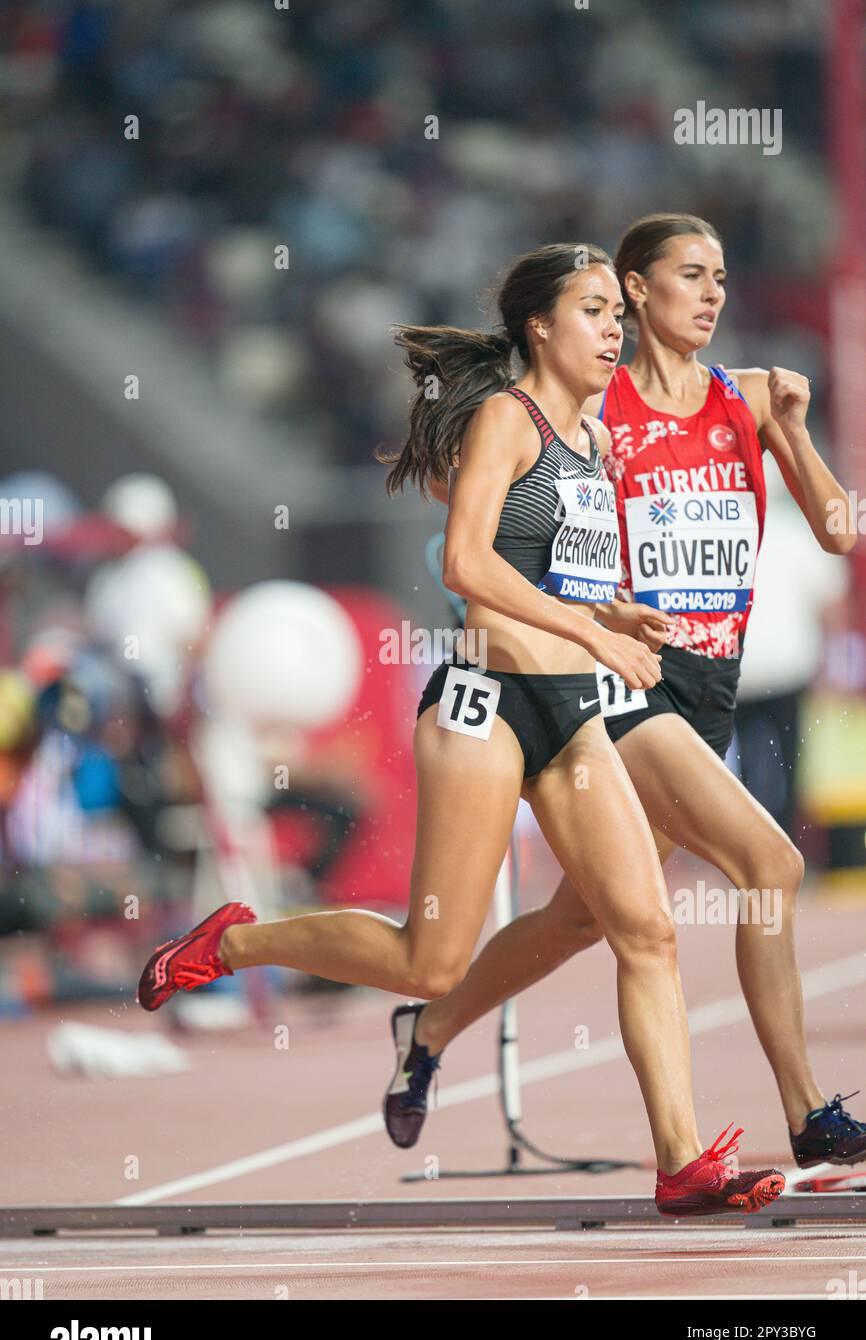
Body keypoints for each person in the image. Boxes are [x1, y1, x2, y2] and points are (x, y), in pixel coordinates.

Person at [137, 240, 784, 1216]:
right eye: (593, 312)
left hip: (568, 719)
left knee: (646, 929)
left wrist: (613, 614)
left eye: (618, 313)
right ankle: (236, 943)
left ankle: (680, 1163)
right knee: (428, 960)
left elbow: (564, 574)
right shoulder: (502, 421)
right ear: (538, 326)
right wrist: (585, 630)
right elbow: (471, 565)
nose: (614, 331)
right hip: (483, 707)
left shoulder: (594, 442)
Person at [382, 214, 866, 1176]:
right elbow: (475, 504)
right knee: (768, 865)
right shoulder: (597, 406)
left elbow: (842, 530)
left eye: (723, 276)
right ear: (637, 294)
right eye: (692, 275)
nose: (715, 294)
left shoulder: (755, 395)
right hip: (621, 683)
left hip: (709, 688)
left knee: (584, 918)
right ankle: (811, 1113)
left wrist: (797, 435)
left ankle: (429, 1025)